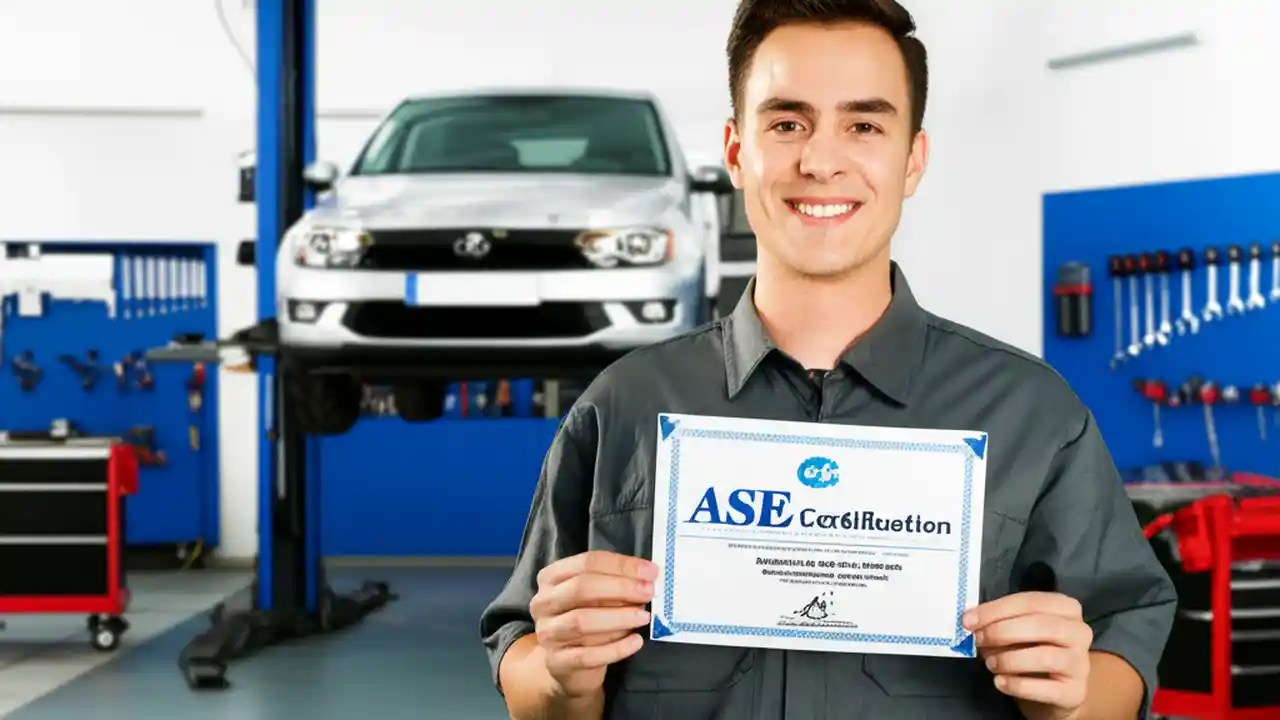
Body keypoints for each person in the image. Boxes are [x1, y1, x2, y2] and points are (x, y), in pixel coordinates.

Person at [479, 0, 1178, 717]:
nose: (819, 160)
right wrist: (561, 678)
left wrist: (1071, 697)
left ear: (913, 160)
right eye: (787, 123)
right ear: (736, 153)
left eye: (864, 125)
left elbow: (1122, 654)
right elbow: (527, 666)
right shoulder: (622, 405)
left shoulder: (1033, 414)